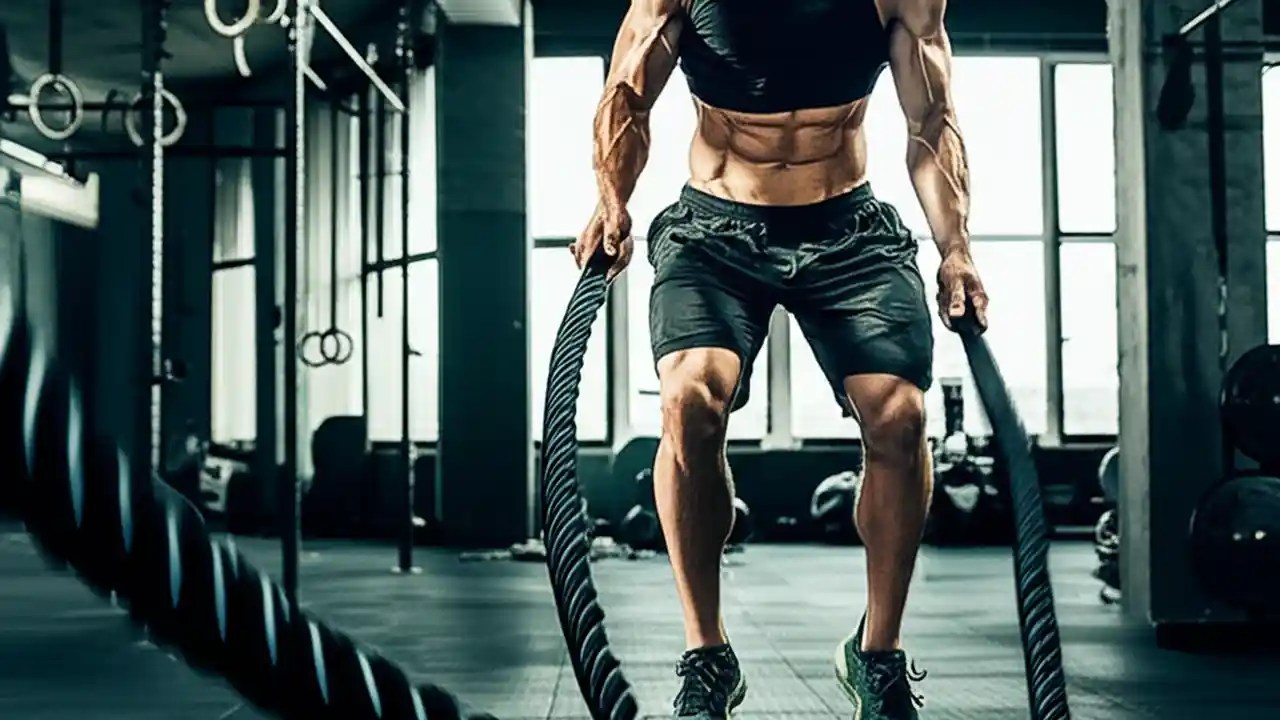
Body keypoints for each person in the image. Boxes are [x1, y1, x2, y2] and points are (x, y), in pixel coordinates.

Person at [571, 0, 989, 717]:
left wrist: (956, 248)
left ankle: (877, 654)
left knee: (901, 416)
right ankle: (707, 655)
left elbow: (932, 120)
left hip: (847, 227)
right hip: (714, 228)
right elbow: (628, 95)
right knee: (689, 403)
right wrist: (612, 199)